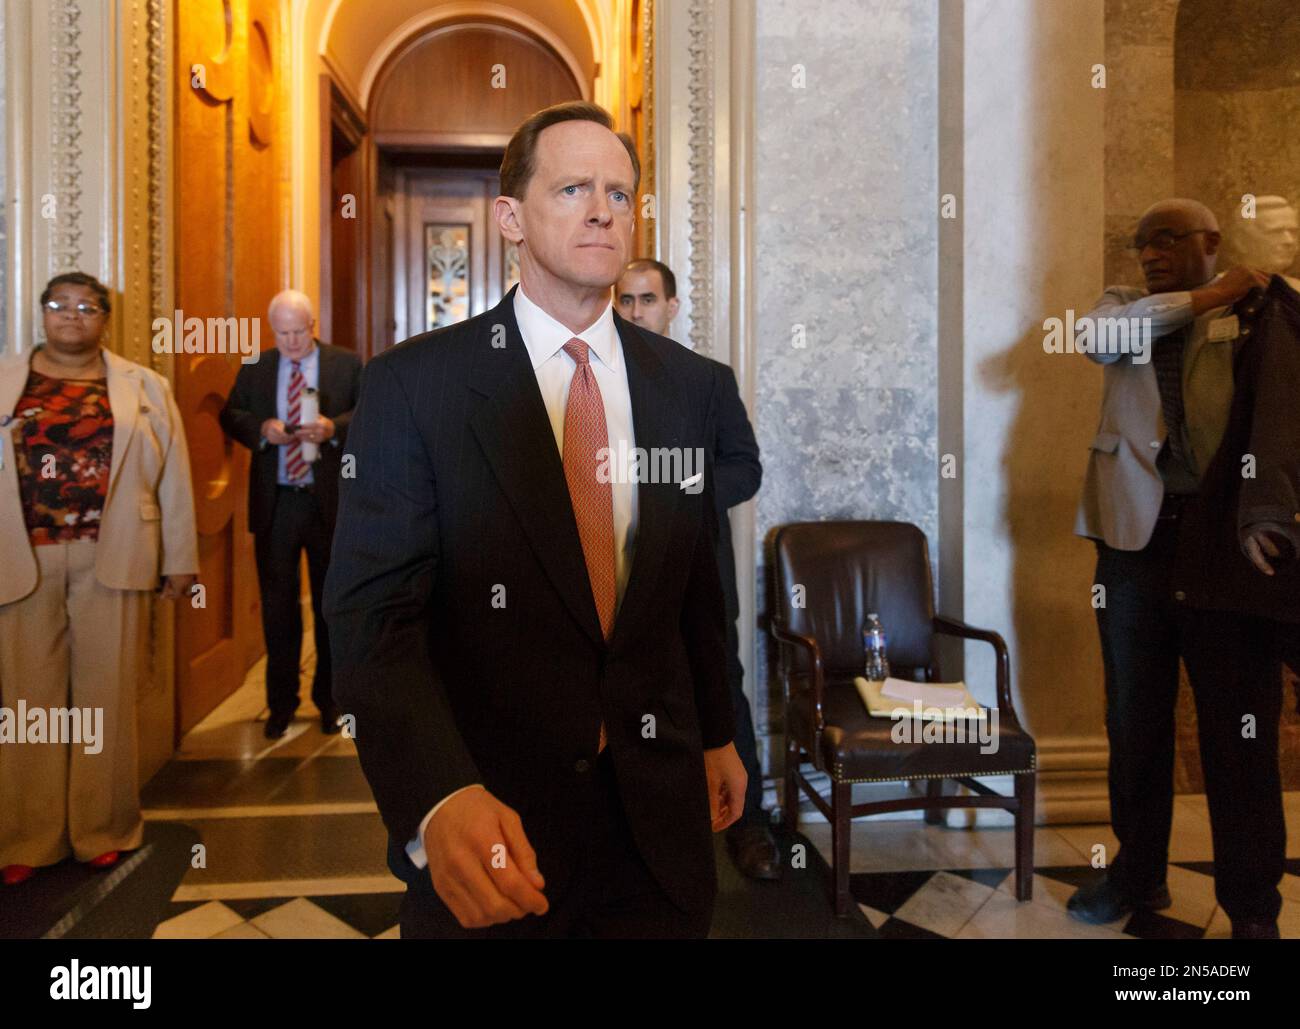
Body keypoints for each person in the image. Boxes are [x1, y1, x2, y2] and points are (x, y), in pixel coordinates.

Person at [324, 100, 747, 939]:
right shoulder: (417, 386)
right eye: (574, 189)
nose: (603, 209)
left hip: (657, 828)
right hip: (494, 823)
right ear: (509, 217)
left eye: (621, 194)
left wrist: (719, 731)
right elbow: (374, 618)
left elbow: (698, 582)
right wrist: (437, 795)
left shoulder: (690, 386)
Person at [1068, 198, 1289, 939]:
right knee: (1134, 717)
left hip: (1222, 543)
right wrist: (1209, 294)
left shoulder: (1254, 312)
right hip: (1133, 543)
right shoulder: (1127, 306)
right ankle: (1139, 870)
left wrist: (1232, 298)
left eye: (1168, 239)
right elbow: (1098, 339)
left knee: (1240, 727)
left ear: (1210, 241)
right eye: (1142, 242)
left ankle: (1254, 904)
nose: (1152, 252)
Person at [0, 272, 198, 887]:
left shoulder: (143, 385)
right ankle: (27, 837)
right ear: (41, 312)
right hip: (19, 556)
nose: (72, 316)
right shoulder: (5, 379)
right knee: (26, 703)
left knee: (105, 697)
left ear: (104, 319)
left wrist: (179, 558)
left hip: (114, 554)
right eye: (59, 305)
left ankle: (104, 830)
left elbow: (174, 477)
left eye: (87, 307)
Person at [615, 258, 775, 879]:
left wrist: (680, 490)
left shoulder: (709, 379)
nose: (635, 311)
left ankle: (749, 824)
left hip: (697, 573)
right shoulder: (593, 377)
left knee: (719, 691)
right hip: (616, 575)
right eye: (624, 300)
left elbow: (745, 467)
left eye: (647, 299)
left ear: (673, 307)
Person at [219, 291, 361, 739]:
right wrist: (262, 429)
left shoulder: (346, 364)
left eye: (299, 331)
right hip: (277, 502)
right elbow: (230, 414)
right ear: (272, 330)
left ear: (312, 324)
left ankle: (330, 701)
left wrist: (332, 429)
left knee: (329, 606)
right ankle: (280, 704)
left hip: (328, 503)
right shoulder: (257, 367)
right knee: (278, 609)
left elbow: (371, 413)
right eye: (283, 333)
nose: (293, 340)